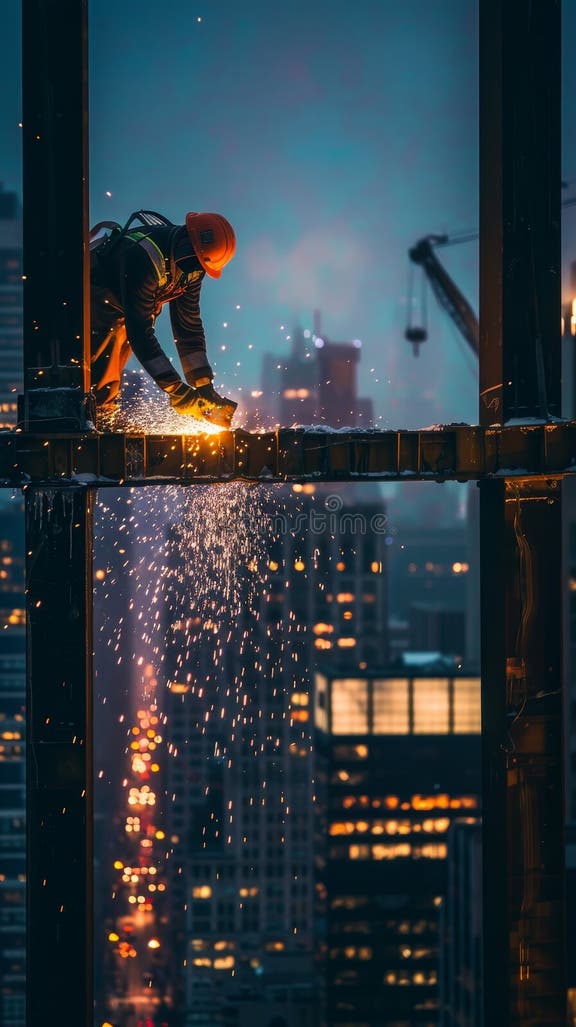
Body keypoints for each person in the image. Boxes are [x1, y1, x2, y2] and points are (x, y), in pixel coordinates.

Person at [89, 210, 238, 426]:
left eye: (199, 267)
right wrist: (176, 389)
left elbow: (188, 326)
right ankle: (99, 420)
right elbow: (140, 333)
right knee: (109, 353)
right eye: (193, 262)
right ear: (186, 241)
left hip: (127, 307)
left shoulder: (193, 268)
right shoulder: (143, 257)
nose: (194, 271)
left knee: (119, 345)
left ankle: (101, 417)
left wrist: (204, 385)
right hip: (96, 297)